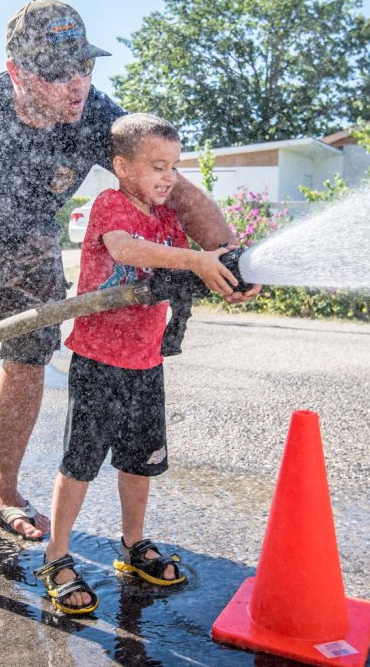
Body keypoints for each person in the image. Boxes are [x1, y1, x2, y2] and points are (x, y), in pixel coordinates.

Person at [0, 0, 259, 535]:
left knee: (29, 357)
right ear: (17, 72)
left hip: (29, 239)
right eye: (57, 72)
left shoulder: (95, 115)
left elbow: (177, 191)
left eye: (85, 67)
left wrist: (225, 256)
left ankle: (1, 489)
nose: (77, 84)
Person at [33, 113, 236, 614]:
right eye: (157, 166)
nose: (169, 177)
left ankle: (132, 546)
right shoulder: (111, 205)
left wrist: (229, 270)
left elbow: (194, 263)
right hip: (99, 362)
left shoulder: (169, 219)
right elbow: (125, 248)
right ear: (122, 167)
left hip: (146, 363)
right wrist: (192, 261)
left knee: (139, 459)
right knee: (80, 463)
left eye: (174, 166)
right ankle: (56, 556)